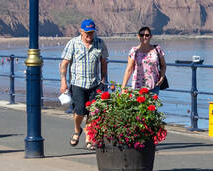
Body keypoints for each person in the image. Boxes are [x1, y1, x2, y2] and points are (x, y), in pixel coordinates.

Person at [59, 19, 109, 150]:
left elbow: (104, 62)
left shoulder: (100, 43)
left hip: (95, 83)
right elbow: (64, 63)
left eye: (92, 32)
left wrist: (104, 80)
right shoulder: (73, 43)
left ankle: (89, 138)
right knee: (79, 111)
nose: (89, 35)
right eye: (87, 33)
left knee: (93, 113)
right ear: (81, 31)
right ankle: (77, 130)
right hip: (78, 84)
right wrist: (63, 81)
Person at [121, 27, 166, 93]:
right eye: (142, 35)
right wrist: (123, 87)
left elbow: (163, 65)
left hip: (153, 86)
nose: (144, 37)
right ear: (138, 36)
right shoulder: (134, 51)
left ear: (150, 36)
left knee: (152, 104)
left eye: (147, 35)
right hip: (137, 87)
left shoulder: (157, 49)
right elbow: (129, 69)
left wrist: (161, 78)